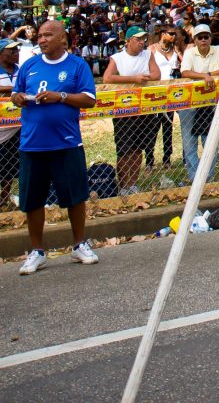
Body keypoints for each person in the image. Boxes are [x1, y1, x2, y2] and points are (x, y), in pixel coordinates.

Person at [10, 20, 98, 274]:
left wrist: (59, 96)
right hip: (32, 145)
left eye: (48, 35)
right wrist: (18, 98)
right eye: (39, 36)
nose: (42, 40)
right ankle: (37, 251)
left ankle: (79, 244)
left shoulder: (77, 65)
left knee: (75, 197)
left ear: (63, 39)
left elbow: (89, 100)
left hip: (67, 143)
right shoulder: (30, 65)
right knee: (32, 200)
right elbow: (17, 94)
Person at [102, 25, 161, 195]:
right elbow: (108, 77)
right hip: (124, 110)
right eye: (138, 39)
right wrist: (134, 79)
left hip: (143, 109)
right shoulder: (117, 58)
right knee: (124, 149)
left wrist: (143, 78)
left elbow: (156, 75)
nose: (142, 42)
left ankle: (133, 182)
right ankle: (123, 184)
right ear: (128, 41)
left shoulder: (148, 55)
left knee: (137, 149)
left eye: (143, 39)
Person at [179, 23, 219, 182]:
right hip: (190, 102)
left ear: (210, 38)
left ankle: (207, 177)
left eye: (206, 37)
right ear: (194, 40)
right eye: (199, 37)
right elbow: (184, 72)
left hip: (211, 103)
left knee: (211, 142)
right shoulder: (189, 53)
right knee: (189, 142)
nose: (203, 40)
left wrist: (208, 74)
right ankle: (195, 177)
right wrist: (204, 77)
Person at [146, 24, 179, 175]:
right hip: (155, 93)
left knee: (168, 127)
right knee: (152, 128)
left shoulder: (174, 48)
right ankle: (149, 161)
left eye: (174, 34)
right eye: (170, 33)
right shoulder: (151, 49)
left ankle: (167, 159)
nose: (173, 36)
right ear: (162, 33)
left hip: (171, 93)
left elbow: (182, 63)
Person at [0, 38, 21, 208]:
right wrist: (11, 90)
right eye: (11, 51)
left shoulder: (20, 71)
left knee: (11, 163)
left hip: (16, 127)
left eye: (17, 50)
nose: (16, 53)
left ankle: (5, 197)